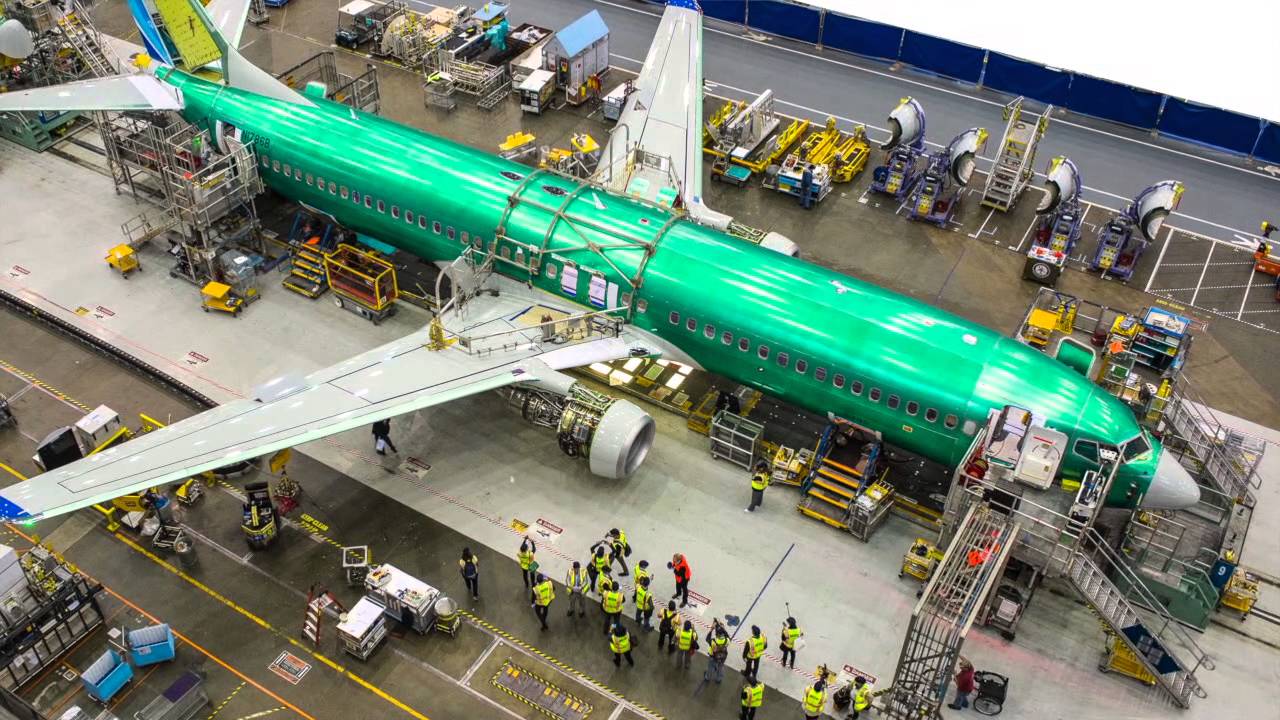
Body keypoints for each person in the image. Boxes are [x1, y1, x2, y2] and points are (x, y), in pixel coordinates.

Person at [704, 619, 729, 684]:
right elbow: (727, 636)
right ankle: (718, 679)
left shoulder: (713, 641)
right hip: (723, 656)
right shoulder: (727, 640)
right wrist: (723, 629)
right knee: (720, 667)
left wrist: (711, 629)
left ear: (716, 634)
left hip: (713, 656)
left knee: (710, 667)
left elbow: (707, 639)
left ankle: (707, 677)